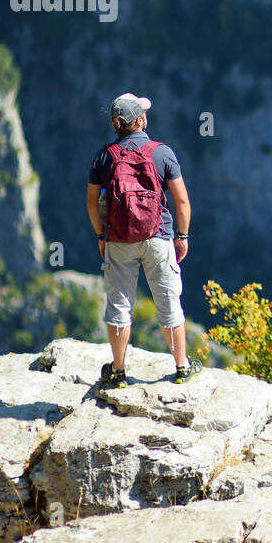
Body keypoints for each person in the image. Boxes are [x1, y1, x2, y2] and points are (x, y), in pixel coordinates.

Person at [85, 93, 199, 387]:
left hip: (118, 239)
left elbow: (90, 202)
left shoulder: (103, 156)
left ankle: (119, 371)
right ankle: (182, 368)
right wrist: (182, 237)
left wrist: (102, 236)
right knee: (168, 301)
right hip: (158, 236)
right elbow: (182, 200)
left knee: (120, 306)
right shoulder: (161, 152)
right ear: (139, 120)